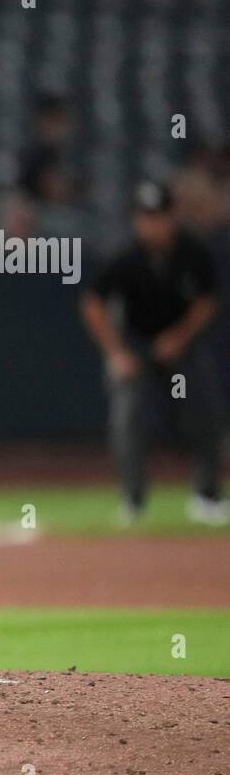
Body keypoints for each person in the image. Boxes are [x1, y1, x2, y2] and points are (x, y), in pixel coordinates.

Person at [81, 180, 227, 526]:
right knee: (128, 418)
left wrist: (179, 337)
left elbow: (208, 300)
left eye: (159, 216)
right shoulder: (124, 255)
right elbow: (92, 303)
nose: (152, 224)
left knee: (207, 414)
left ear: (172, 216)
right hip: (136, 346)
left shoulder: (192, 251)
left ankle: (206, 496)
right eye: (146, 217)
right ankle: (133, 501)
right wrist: (116, 352)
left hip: (181, 348)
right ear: (136, 219)